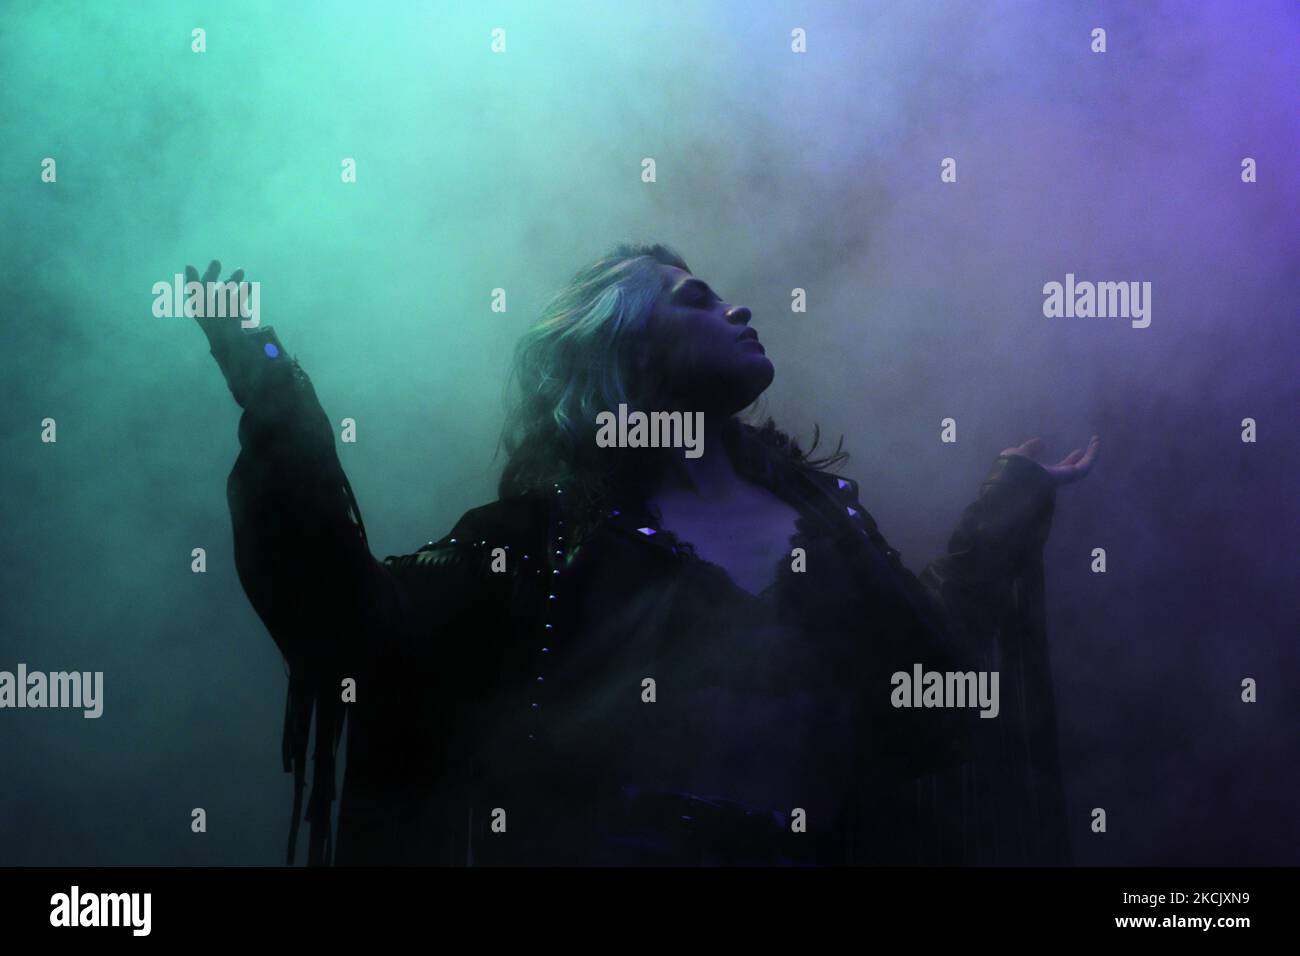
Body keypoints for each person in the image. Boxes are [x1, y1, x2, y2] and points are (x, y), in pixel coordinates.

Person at [189, 242, 1099, 866]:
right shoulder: (543, 542)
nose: (738, 305)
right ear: (620, 348)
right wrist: (278, 407)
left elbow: (931, 658)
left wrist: (1006, 504)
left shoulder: (828, 531)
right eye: (693, 298)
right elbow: (357, 624)